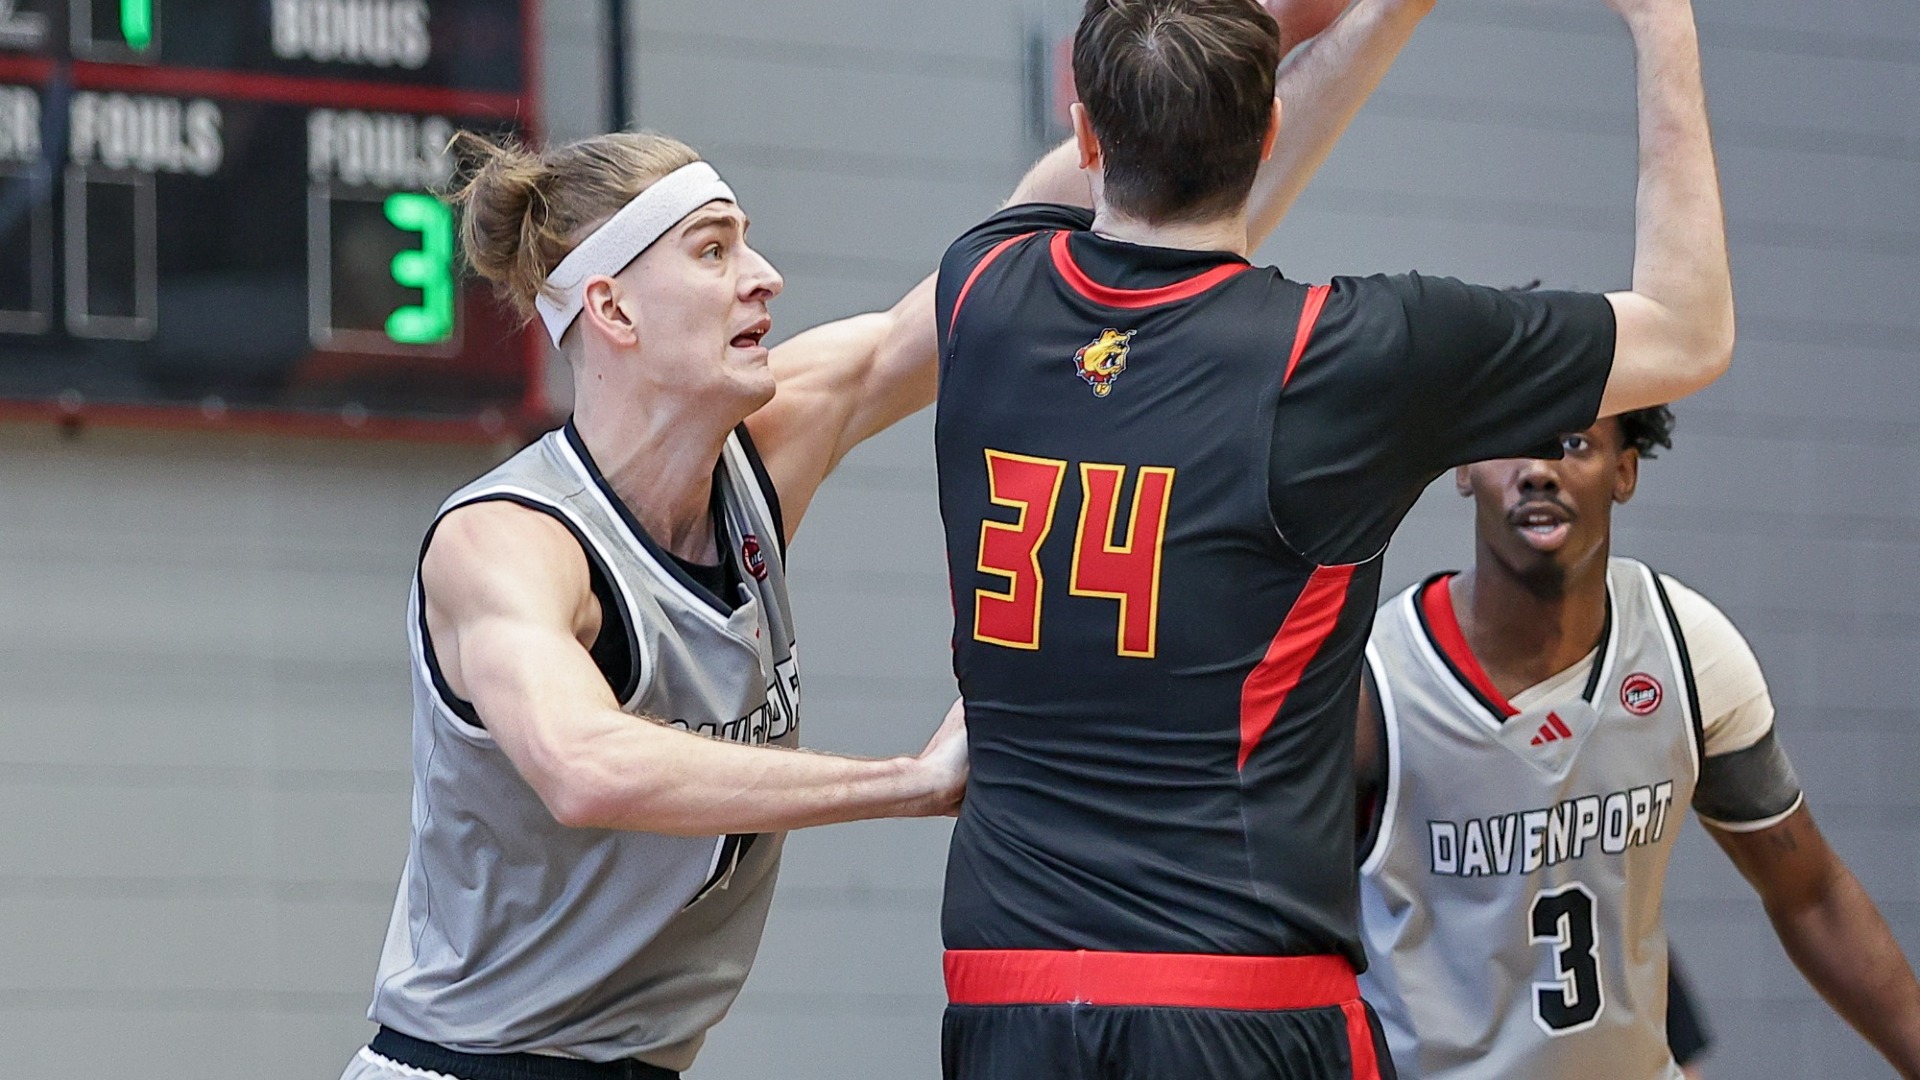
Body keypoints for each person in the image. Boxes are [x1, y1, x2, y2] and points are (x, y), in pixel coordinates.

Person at [338, 4, 1432, 1075]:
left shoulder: (774, 438)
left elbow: (1097, 224)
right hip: (466, 1065)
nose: (764, 278)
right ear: (613, 312)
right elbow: (581, 765)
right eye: (714, 252)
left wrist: (1320, 33)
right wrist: (907, 780)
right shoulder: (507, 542)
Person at [929, 0, 1737, 1075]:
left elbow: (1115, 201)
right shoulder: (1348, 356)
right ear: (1268, 138)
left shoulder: (981, 290)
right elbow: (1690, 329)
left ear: (1084, 131)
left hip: (1004, 997)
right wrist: (1661, 27)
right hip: (1238, 1000)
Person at [1353, 408, 1920, 1080]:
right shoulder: (1373, 681)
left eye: (1573, 444)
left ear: (1624, 472)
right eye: (1510, 441)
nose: (1539, 471)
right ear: (1464, 467)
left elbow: (1812, 895)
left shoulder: (1686, 648)